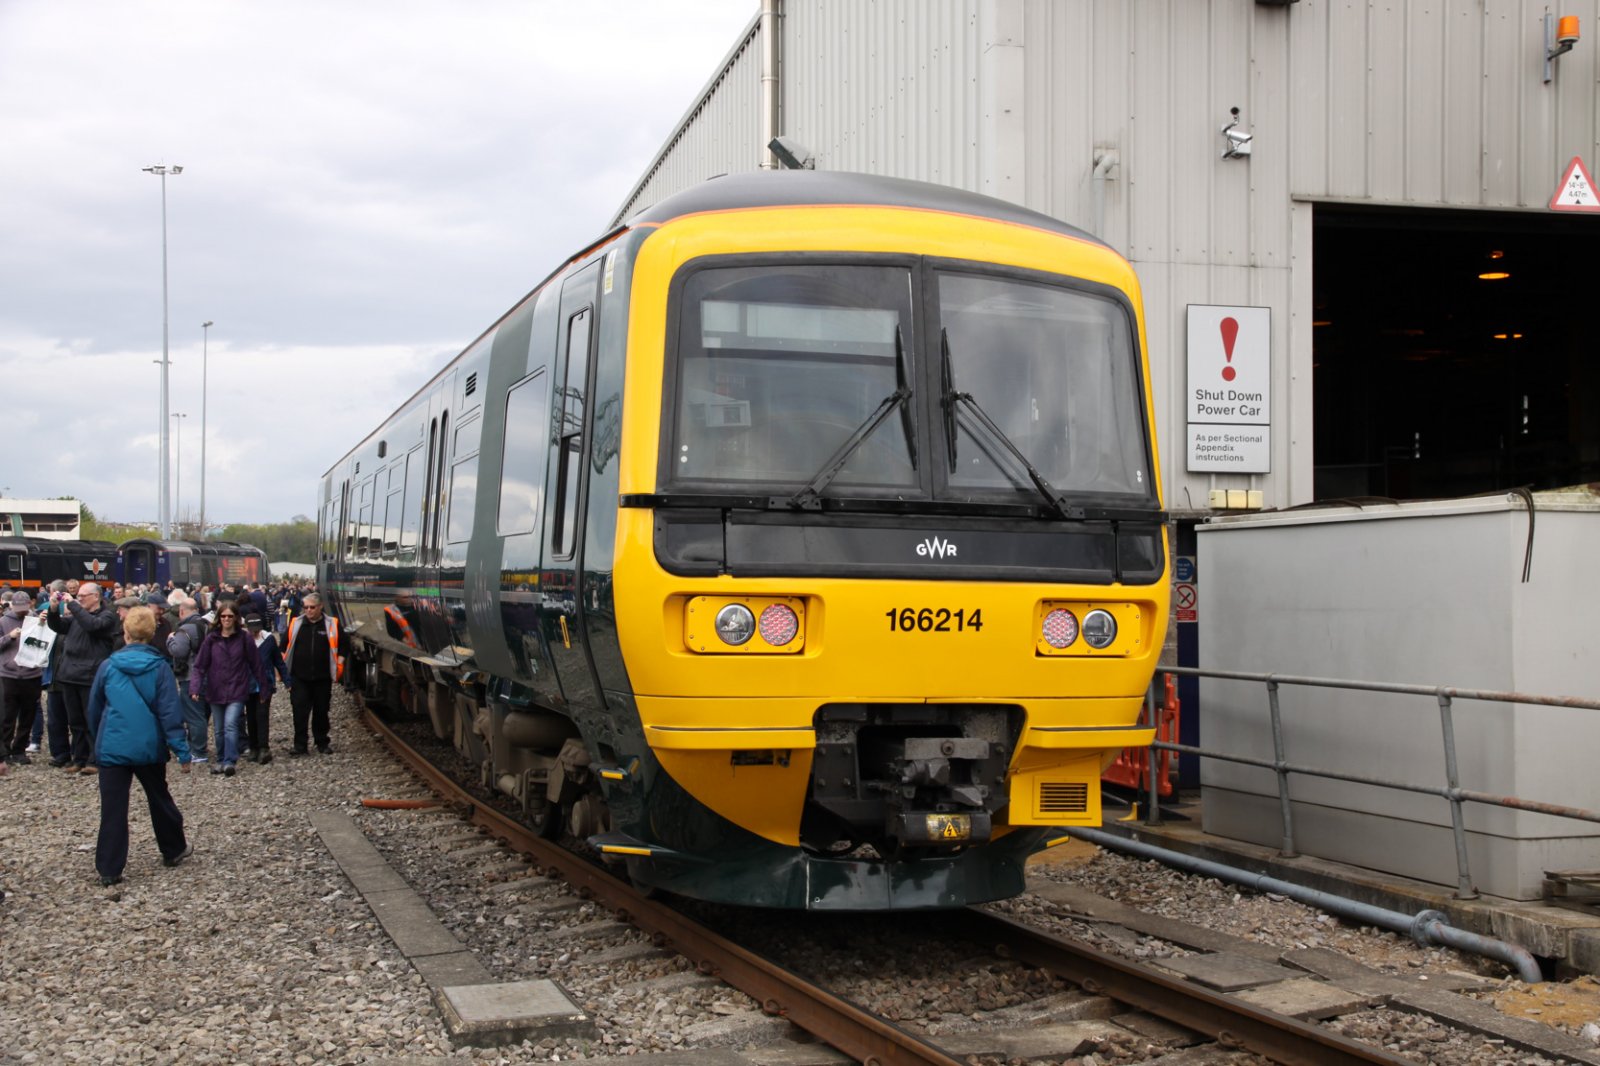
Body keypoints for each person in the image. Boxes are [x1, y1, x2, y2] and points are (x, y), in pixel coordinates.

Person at [85, 606, 193, 887]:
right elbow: (170, 712)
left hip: (113, 746)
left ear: (126, 632)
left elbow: (94, 708)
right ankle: (173, 849)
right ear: (152, 633)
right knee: (159, 798)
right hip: (148, 745)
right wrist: (181, 750)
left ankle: (109, 868)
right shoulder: (159, 668)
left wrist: (100, 740)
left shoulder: (108, 666)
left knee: (113, 809)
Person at [47, 581, 120, 774]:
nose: (79, 598)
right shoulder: (77, 615)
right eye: (77, 596)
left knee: (92, 720)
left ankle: (94, 759)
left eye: (83, 596)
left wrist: (73, 605)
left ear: (96, 597)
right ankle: (78, 758)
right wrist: (53, 609)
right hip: (70, 674)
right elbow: (58, 626)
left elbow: (92, 625)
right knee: (75, 721)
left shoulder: (107, 616)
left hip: (91, 675)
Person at [189, 603, 265, 776]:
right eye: (223, 616)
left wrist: (264, 689)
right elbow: (200, 666)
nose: (226, 619)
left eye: (230, 616)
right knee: (218, 729)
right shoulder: (211, 639)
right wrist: (195, 687)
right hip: (215, 690)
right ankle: (222, 759)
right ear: (218, 618)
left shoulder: (244, 638)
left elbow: (256, 664)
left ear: (236, 618)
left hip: (237, 688)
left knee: (231, 724)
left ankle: (230, 760)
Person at [283, 592, 342, 755]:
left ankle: (322, 742)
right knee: (299, 711)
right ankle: (300, 744)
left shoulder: (332, 625)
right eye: (306, 607)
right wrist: (284, 673)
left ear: (320, 607)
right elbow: (283, 646)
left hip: (322, 678)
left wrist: (339, 665)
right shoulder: (296, 624)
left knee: (321, 710)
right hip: (299, 677)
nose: (308, 610)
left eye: (312, 607)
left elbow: (344, 646)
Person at [0, 591, 45, 763]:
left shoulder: (36, 620)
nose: (22, 611)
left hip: (32, 674)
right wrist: (8, 637)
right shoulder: (3, 621)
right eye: (19, 608)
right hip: (8, 675)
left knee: (28, 715)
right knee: (7, 716)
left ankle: (20, 750)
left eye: (24, 608)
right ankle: (5, 750)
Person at [166, 597, 211, 762]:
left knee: (194, 715)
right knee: (203, 713)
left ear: (182, 611)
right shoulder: (207, 625)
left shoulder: (185, 629)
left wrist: (170, 640)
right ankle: (197, 746)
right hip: (209, 675)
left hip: (190, 677)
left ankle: (198, 752)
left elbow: (179, 651)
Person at [243, 614, 289, 764]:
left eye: (256, 630)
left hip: (265, 684)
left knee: (262, 715)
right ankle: (253, 746)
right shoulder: (243, 641)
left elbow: (278, 661)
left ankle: (263, 747)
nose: (254, 633)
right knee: (250, 716)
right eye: (252, 630)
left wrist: (287, 680)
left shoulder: (268, 640)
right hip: (248, 685)